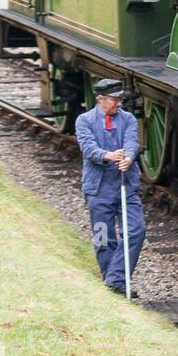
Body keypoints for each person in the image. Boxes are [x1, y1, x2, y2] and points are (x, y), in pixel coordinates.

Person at [75, 78, 145, 296]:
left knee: (136, 230)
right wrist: (108, 156)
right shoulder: (84, 120)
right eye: (114, 100)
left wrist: (129, 158)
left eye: (120, 100)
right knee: (103, 237)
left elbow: (132, 142)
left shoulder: (129, 119)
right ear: (100, 99)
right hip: (98, 189)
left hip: (126, 185)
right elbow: (88, 148)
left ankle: (115, 278)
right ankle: (114, 283)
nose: (119, 104)